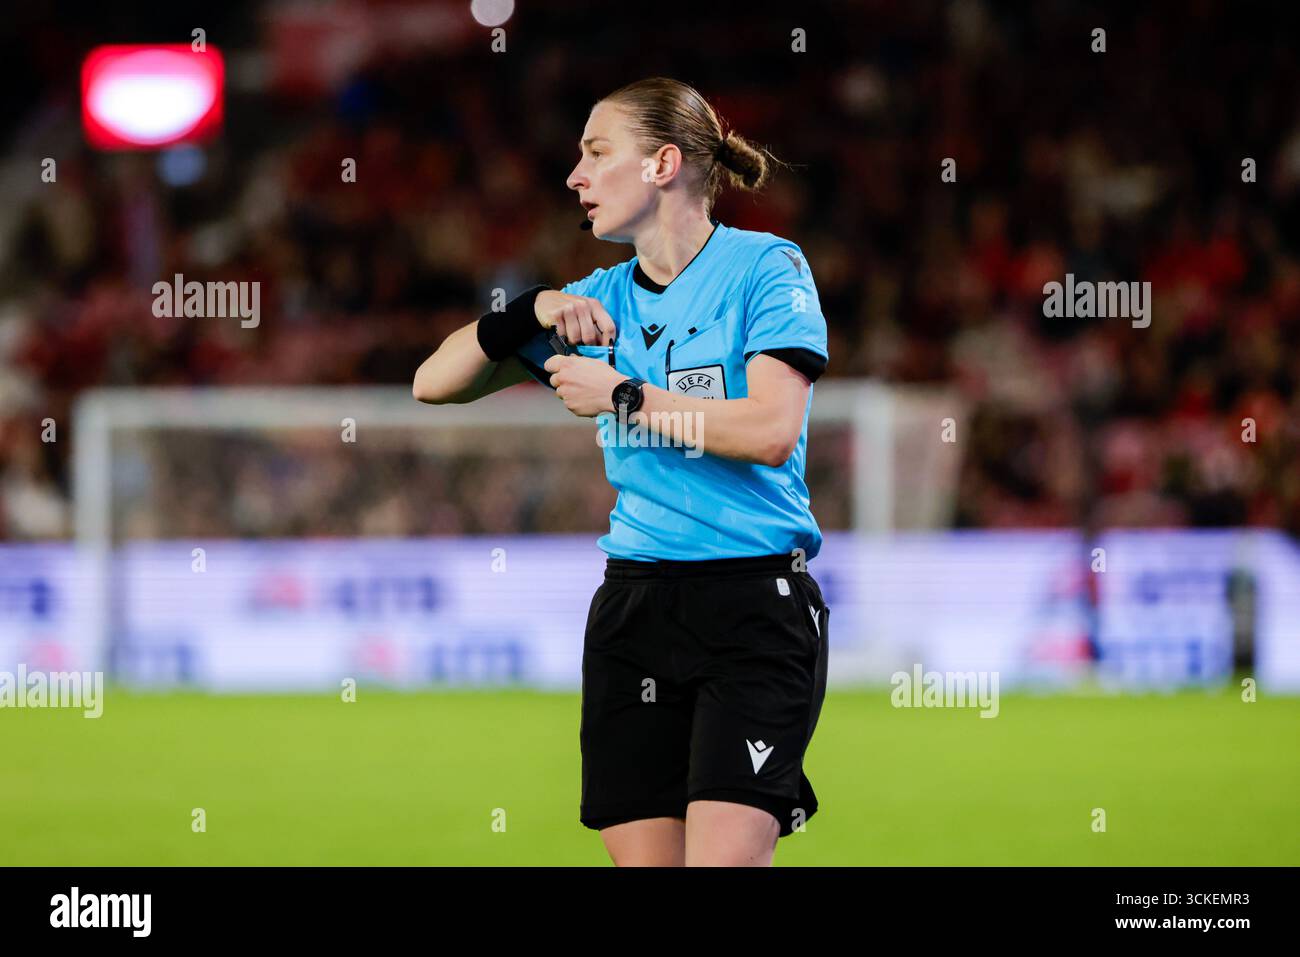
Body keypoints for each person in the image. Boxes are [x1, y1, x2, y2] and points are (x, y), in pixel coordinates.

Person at [413, 77, 829, 866]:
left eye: (597, 152)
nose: (575, 175)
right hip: (633, 611)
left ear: (663, 164)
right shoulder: (591, 303)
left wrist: (626, 396)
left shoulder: (765, 268)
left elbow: (773, 430)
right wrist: (528, 307)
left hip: (752, 607)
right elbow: (433, 382)